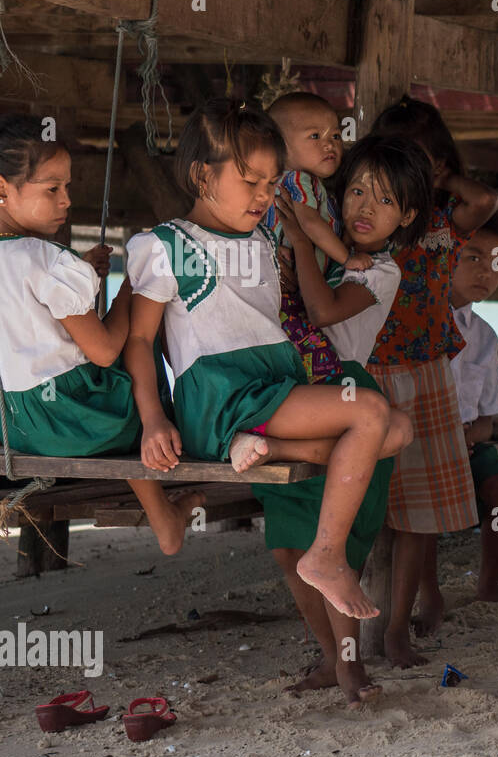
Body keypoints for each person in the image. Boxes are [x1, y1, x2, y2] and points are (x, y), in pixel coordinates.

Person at [124, 98, 400, 621]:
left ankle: (263, 448)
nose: (263, 195)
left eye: (272, 183)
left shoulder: (262, 241)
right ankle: (325, 554)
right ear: (203, 175)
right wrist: (154, 419)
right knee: (368, 414)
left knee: (398, 429)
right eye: (250, 180)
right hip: (222, 398)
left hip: (271, 387)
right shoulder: (166, 245)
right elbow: (140, 342)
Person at [259, 132, 426, 704]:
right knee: (289, 548)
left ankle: (353, 668)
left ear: (405, 216)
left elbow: (322, 311)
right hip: (293, 389)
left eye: (383, 200)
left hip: (349, 394)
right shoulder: (334, 251)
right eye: (356, 191)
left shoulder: (380, 272)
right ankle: (333, 660)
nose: (364, 207)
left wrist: (304, 240)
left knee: (340, 550)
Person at [0, 113, 200, 554]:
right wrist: (133, 285)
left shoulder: (27, 261)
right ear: (2, 190)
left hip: (18, 425)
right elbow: (106, 349)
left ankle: (164, 515)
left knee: (120, 387)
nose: (67, 200)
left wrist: (82, 275)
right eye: (52, 189)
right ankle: (165, 510)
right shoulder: (46, 260)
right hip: (71, 419)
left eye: (67, 187)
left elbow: (37, 323)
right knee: (136, 381)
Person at [365, 96, 498, 663]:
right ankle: (366, 630)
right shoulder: (369, 221)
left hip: (429, 373)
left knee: (418, 515)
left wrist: (443, 176)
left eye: (429, 160)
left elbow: (485, 199)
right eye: (404, 160)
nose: (418, 170)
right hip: (369, 373)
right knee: (372, 513)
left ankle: (396, 626)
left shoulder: (444, 224)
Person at [447, 214, 498, 609]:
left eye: (497, 263)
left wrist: (464, 439)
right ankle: (428, 593)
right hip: (411, 444)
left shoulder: (483, 335)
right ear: (445, 256)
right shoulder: (413, 325)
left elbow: (486, 421)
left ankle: (490, 580)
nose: (486, 271)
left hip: (464, 444)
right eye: (473, 257)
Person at [261, 91, 370, 385]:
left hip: (288, 291)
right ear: (280, 146)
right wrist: (347, 258)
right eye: (314, 136)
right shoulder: (297, 181)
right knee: (315, 363)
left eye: (335, 135)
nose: (329, 143)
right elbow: (309, 223)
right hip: (284, 294)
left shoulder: (313, 185)